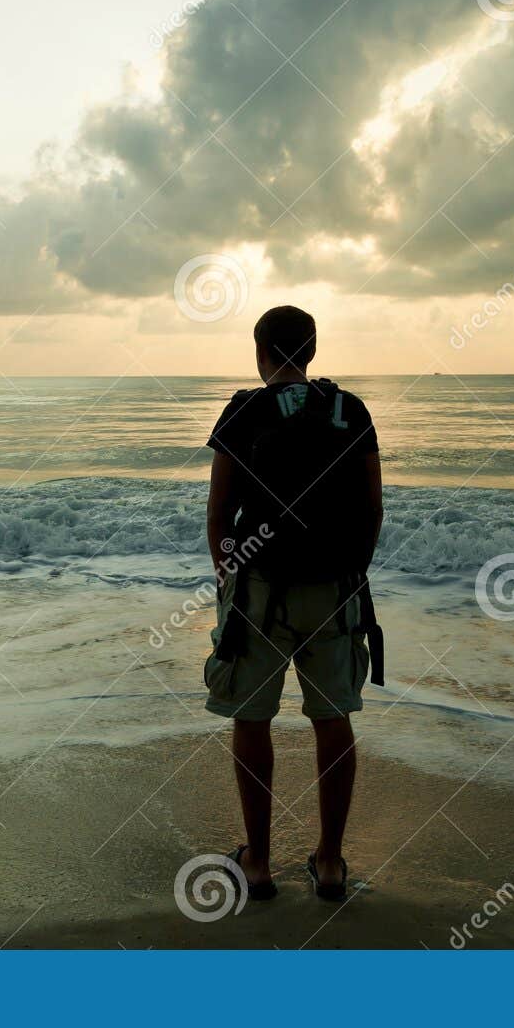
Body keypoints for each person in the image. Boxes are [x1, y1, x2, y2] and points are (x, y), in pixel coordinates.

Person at [202, 304, 383, 902]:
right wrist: (352, 573)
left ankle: (257, 863)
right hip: (334, 591)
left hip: (259, 591)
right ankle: (329, 863)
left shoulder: (244, 411)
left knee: (252, 720)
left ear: (260, 352)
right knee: (333, 720)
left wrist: (228, 578)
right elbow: (373, 507)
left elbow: (220, 511)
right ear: (310, 351)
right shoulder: (348, 410)